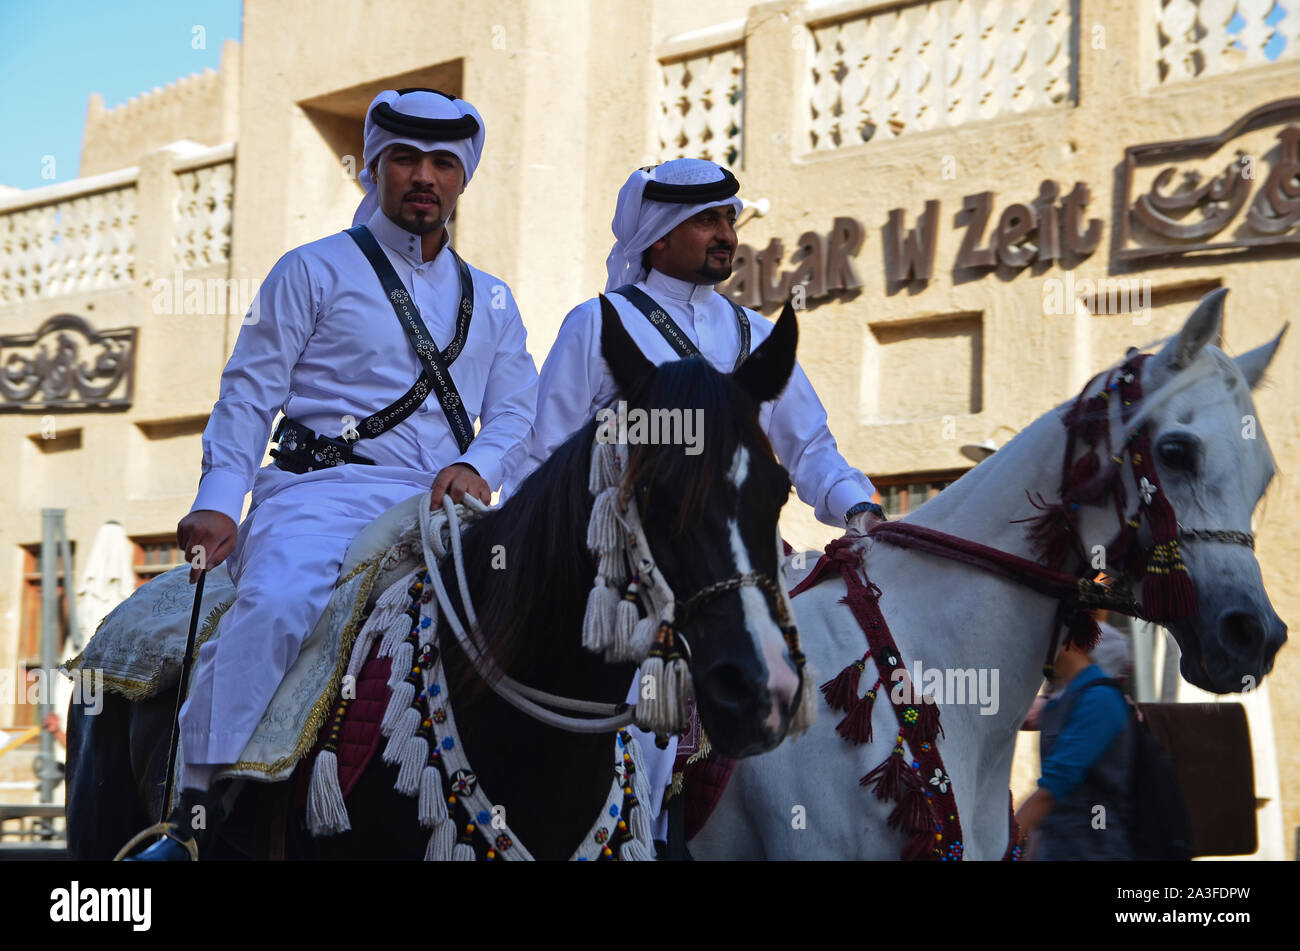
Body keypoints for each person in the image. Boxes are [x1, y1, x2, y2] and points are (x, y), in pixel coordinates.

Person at [130, 89, 540, 860]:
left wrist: (477, 464)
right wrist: (217, 499)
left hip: (445, 507)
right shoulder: (310, 268)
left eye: (443, 163)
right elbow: (249, 393)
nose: (424, 177)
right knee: (279, 602)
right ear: (374, 167)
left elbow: (520, 411)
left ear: (463, 177)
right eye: (405, 159)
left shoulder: (493, 298)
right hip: (322, 496)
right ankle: (195, 811)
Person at [500, 157, 883, 836]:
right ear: (658, 235)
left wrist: (858, 507)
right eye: (706, 220)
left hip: (742, 565)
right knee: (642, 717)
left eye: (729, 218)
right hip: (631, 572)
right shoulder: (599, 323)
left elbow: (810, 447)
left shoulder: (754, 334)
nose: (726, 234)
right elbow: (542, 452)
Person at [1016, 624, 1136, 860]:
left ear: (1065, 643)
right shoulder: (1064, 698)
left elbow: (1054, 787)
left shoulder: (1099, 699)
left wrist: (1009, 840)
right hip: (1061, 845)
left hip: (1094, 848)